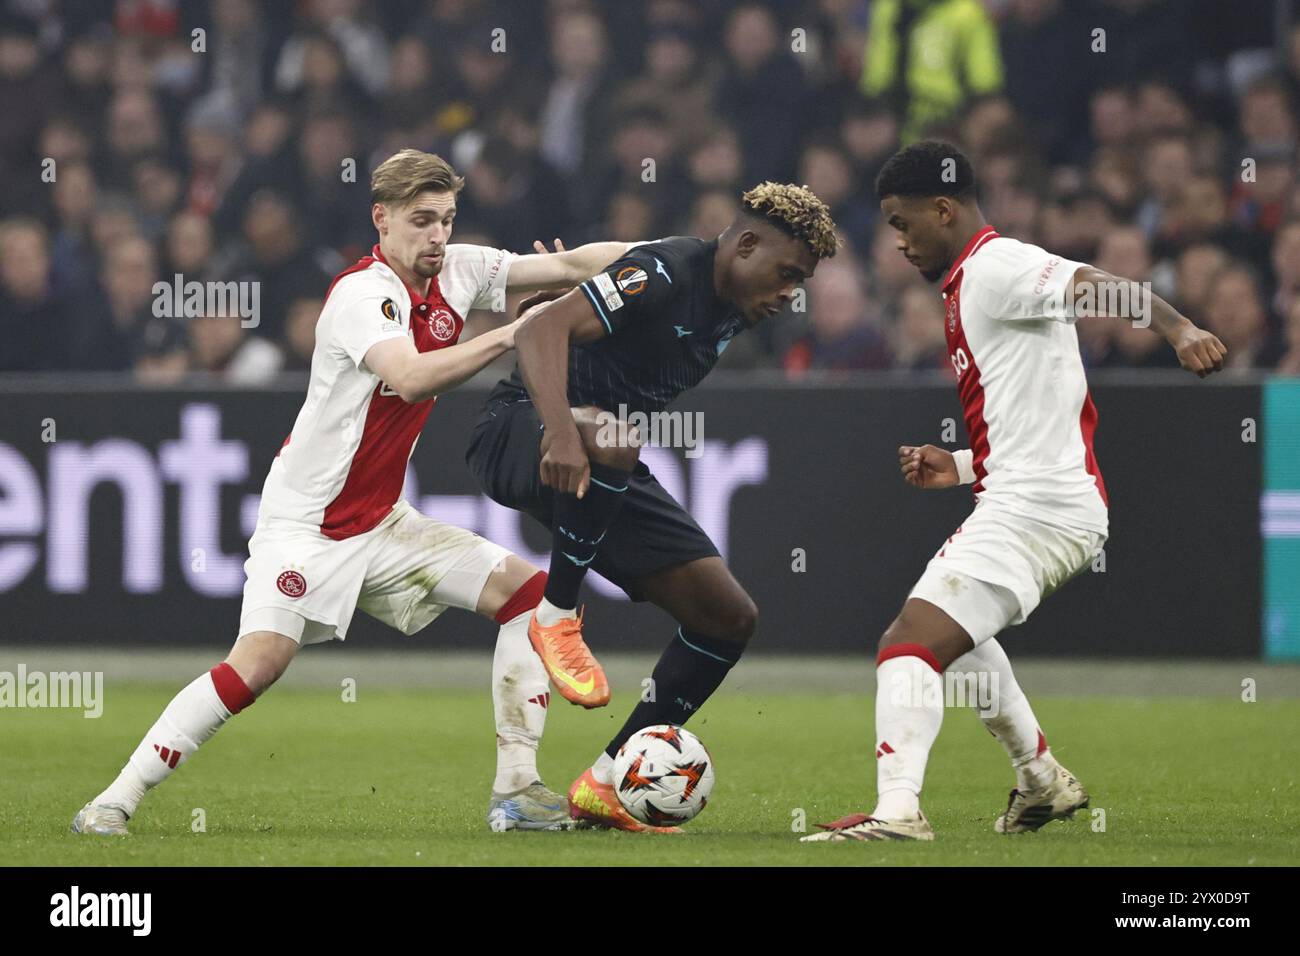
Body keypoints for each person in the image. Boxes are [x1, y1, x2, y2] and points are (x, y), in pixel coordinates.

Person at [71, 149, 632, 836]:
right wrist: (515, 333)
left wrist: (676, 260)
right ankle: (112, 802)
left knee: (527, 599)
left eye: (446, 220)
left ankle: (517, 790)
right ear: (382, 219)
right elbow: (411, 377)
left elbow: (573, 266)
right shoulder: (359, 296)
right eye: (421, 220)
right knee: (257, 666)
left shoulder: (459, 271)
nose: (436, 236)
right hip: (307, 525)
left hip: (384, 523)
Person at [803, 141, 1225, 842]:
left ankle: (898, 812)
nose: (900, 242)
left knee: (906, 643)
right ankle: (1042, 781)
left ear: (944, 209)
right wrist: (964, 467)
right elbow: (1035, 421)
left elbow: (1096, 284)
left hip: (1040, 510)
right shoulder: (971, 281)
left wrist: (1179, 329)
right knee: (958, 638)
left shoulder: (996, 266)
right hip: (1033, 498)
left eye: (904, 224)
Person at [466, 182, 839, 831]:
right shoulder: (666, 270)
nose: (789, 294)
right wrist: (558, 430)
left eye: (799, 281)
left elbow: (586, 295)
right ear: (745, 243)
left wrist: (584, 286)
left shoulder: (735, 305)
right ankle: (556, 616)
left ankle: (607, 782)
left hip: (601, 454)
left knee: (726, 617)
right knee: (612, 436)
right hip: (520, 427)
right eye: (786, 274)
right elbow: (541, 328)